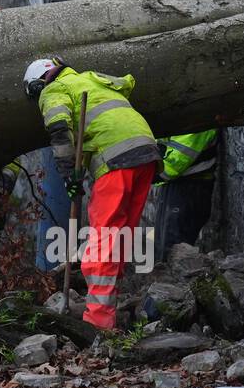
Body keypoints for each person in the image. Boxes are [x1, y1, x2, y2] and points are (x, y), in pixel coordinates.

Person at [23, 56, 160, 331]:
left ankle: (97, 323)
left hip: (116, 159)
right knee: (119, 237)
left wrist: (68, 177)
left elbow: (60, 133)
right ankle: (109, 309)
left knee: (103, 241)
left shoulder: (54, 91)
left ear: (38, 85)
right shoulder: (91, 79)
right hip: (146, 154)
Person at [149, 130, 219, 259]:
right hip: (177, 184)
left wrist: (147, 174)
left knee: (173, 248)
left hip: (190, 185)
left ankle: (173, 278)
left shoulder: (200, 118)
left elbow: (177, 162)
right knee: (165, 247)